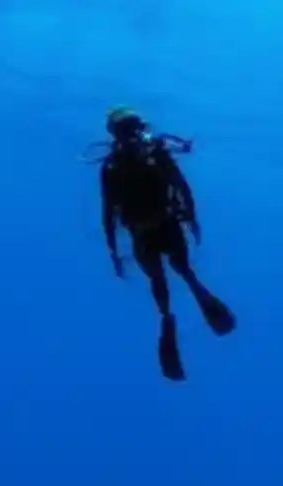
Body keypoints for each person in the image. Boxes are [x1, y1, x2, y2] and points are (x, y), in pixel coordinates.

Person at [99, 107, 235, 380]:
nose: (133, 135)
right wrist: (192, 218)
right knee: (170, 273)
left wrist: (114, 250)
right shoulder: (123, 163)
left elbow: (109, 214)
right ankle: (172, 314)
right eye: (128, 130)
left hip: (155, 227)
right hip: (156, 228)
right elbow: (181, 188)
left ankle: (171, 314)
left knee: (169, 272)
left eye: (133, 128)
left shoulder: (135, 159)